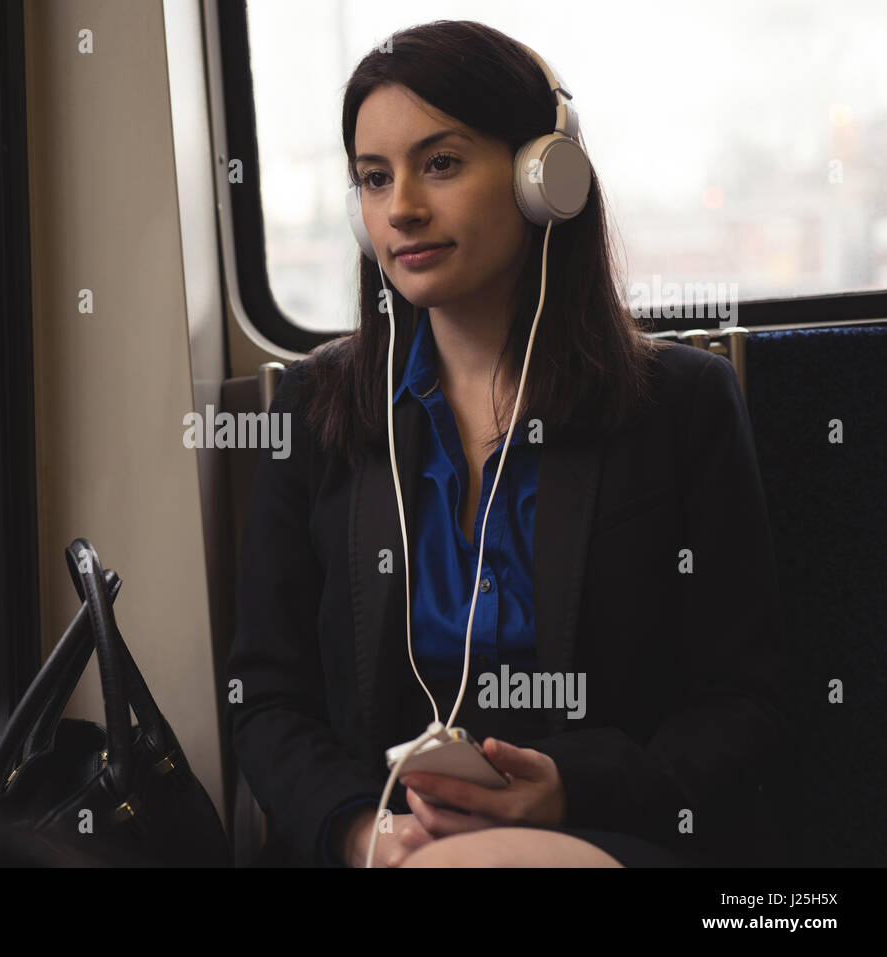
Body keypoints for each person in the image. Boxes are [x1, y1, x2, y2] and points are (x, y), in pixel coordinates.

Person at [226, 20, 792, 868]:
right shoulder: (319, 408)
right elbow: (266, 699)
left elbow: (742, 702)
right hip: (389, 848)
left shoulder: (680, 405)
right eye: (374, 179)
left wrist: (571, 786)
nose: (401, 208)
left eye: (441, 163)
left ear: (544, 181)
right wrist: (361, 831)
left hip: (606, 832)